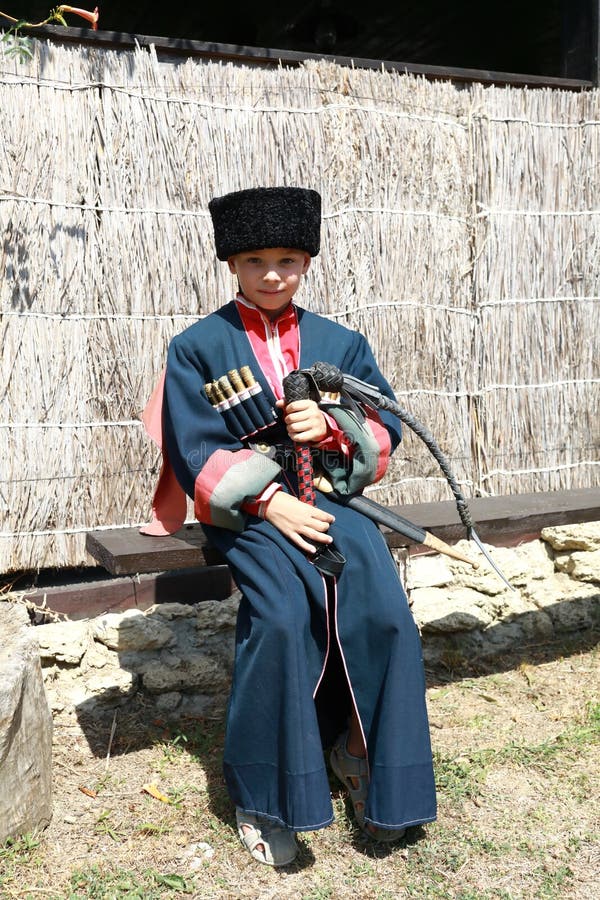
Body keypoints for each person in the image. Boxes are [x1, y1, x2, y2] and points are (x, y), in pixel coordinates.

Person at [146, 187, 436, 866]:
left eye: (286, 259)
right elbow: (193, 445)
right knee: (280, 616)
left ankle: (361, 754)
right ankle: (264, 794)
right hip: (247, 511)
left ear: (306, 260)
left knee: (385, 610)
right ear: (232, 265)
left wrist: (335, 426)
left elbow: (385, 423)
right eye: (254, 260)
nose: (272, 274)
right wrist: (271, 501)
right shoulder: (199, 347)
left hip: (333, 497)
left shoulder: (342, 342)